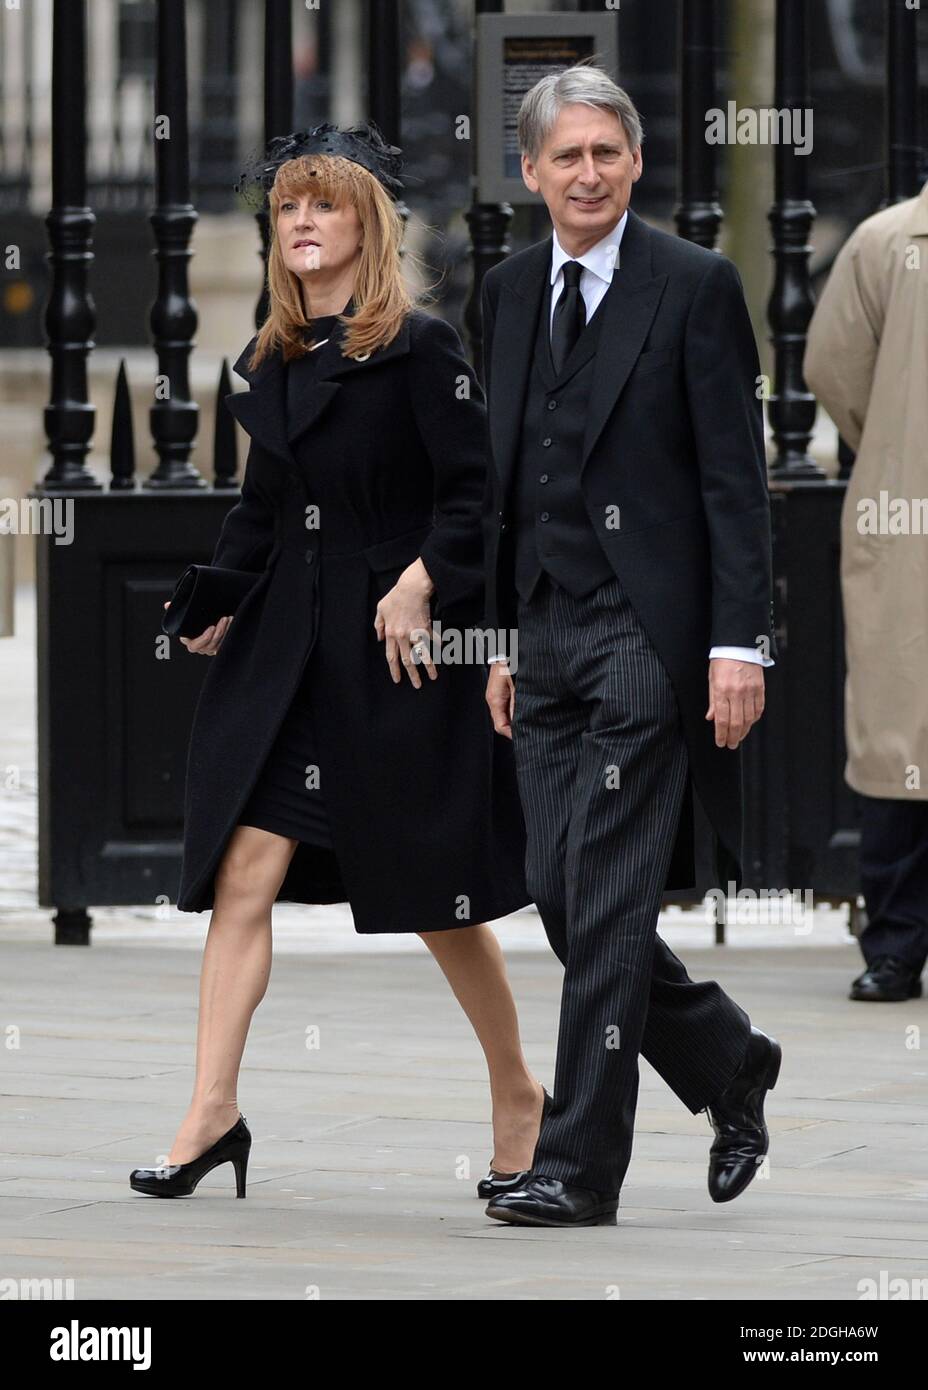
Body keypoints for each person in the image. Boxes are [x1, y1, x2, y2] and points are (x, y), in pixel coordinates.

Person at [129, 122, 543, 1200]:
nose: (303, 221)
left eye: (324, 205)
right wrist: (214, 600)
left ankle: (518, 1092)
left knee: (437, 899)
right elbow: (262, 513)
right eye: (288, 209)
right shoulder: (266, 360)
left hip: (393, 657)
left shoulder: (419, 348)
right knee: (242, 874)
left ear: (366, 224)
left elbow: (472, 497)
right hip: (286, 662)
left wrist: (422, 579)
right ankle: (210, 1109)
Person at [478, 66, 782, 1227]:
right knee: (562, 896)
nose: (589, 173)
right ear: (531, 172)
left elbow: (734, 485)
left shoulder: (695, 286)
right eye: (568, 156)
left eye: (608, 152)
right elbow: (504, 481)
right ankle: (725, 1058)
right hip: (546, 631)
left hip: (651, 636)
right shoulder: (507, 293)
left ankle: (577, 1163)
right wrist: (501, 637)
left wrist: (736, 645)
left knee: (603, 894)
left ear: (637, 162)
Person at [804, 176, 928, 1004]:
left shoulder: (887, 239)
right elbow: (834, 371)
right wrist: (890, 444)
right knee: (900, 742)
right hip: (907, 521)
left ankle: (893, 947)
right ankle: (895, 941)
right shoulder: (888, 243)